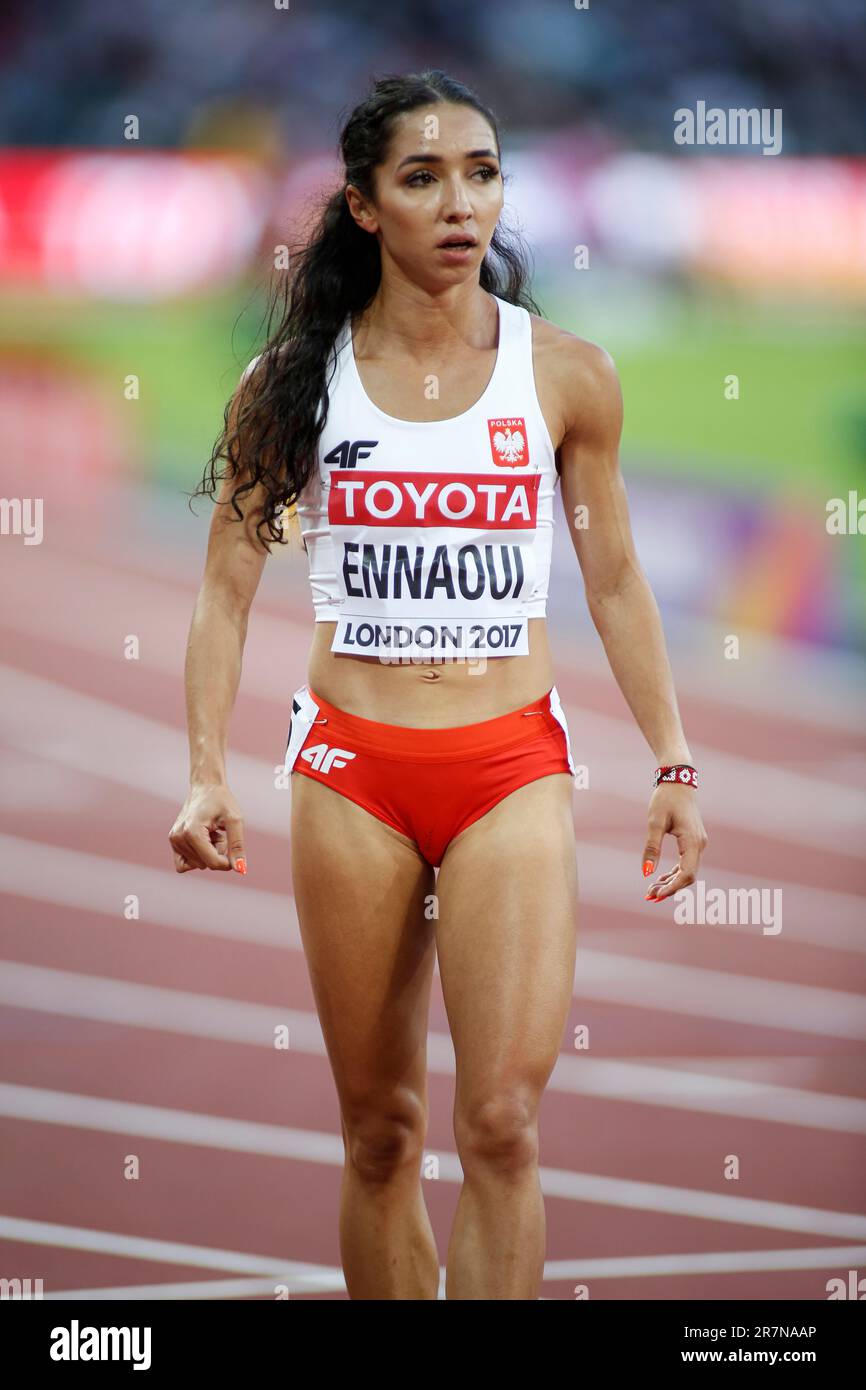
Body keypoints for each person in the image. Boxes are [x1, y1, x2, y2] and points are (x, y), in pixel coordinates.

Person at [170, 69, 708, 1300]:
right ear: (362, 205)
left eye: (480, 173)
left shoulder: (565, 374)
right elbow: (223, 592)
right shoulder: (293, 387)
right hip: (353, 771)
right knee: (379, 1133)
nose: (459, 202)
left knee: (504, 1123)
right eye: (421, 177)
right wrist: (204, 765)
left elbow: (615, 580)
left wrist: (673, 761)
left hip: (509, 762)